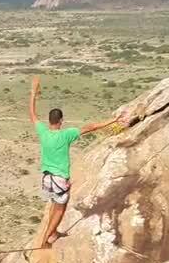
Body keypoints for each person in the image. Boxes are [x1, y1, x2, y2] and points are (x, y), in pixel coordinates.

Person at [29, 76, 119, 250]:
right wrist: (113, 121)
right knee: (60, 209)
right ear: (61, 121)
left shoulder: (43, 131)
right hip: (59, 178)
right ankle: (46, 240)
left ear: (50, 121)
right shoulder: (66, 134)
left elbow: (32, 115)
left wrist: (33, 93)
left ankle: (52, 232)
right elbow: (91, 127)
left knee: (53, 204)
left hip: (46, 178)